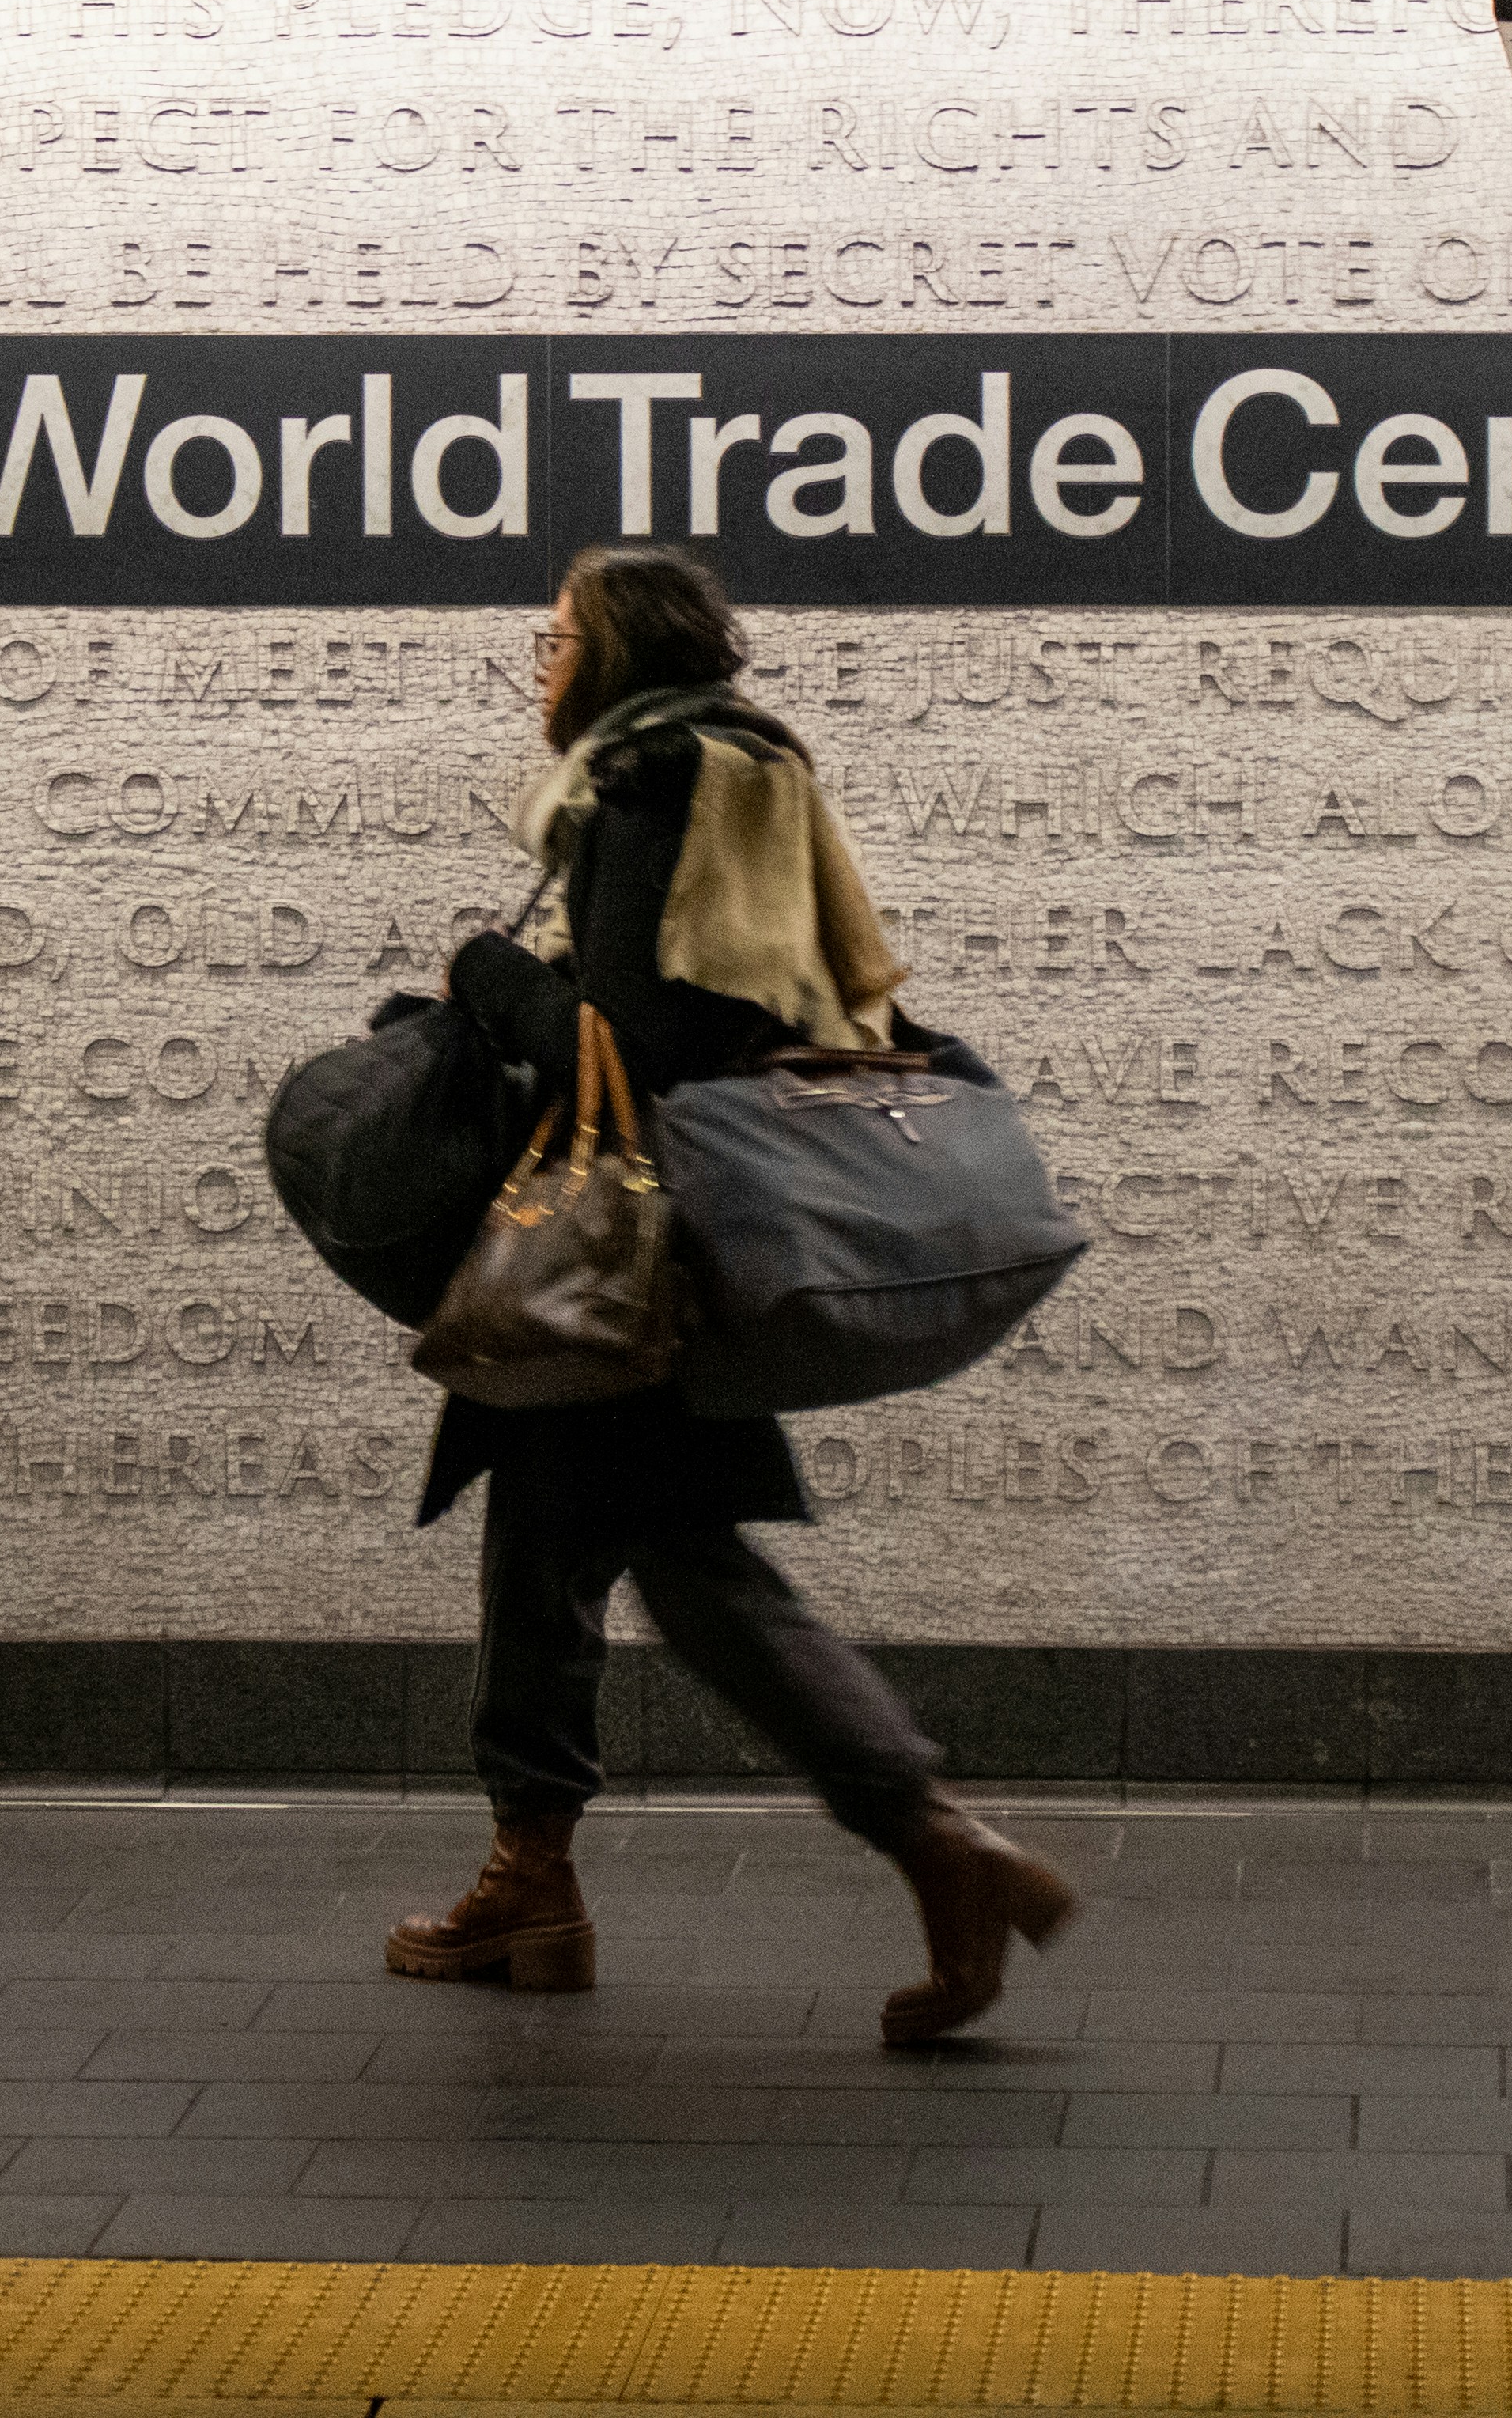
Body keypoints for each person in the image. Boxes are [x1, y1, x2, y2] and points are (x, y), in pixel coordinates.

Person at [384, 540, 1077, 2044]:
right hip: (677, 1252)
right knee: (549, 1542)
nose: (539, 652)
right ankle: (534, 1877)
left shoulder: (650, 785)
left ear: (621, 648)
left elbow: (625, 1034)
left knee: (692, 1574)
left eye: (561, 631)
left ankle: (934, 1838)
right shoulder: (758, 772)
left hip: (640, 1258)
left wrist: (479, 973)